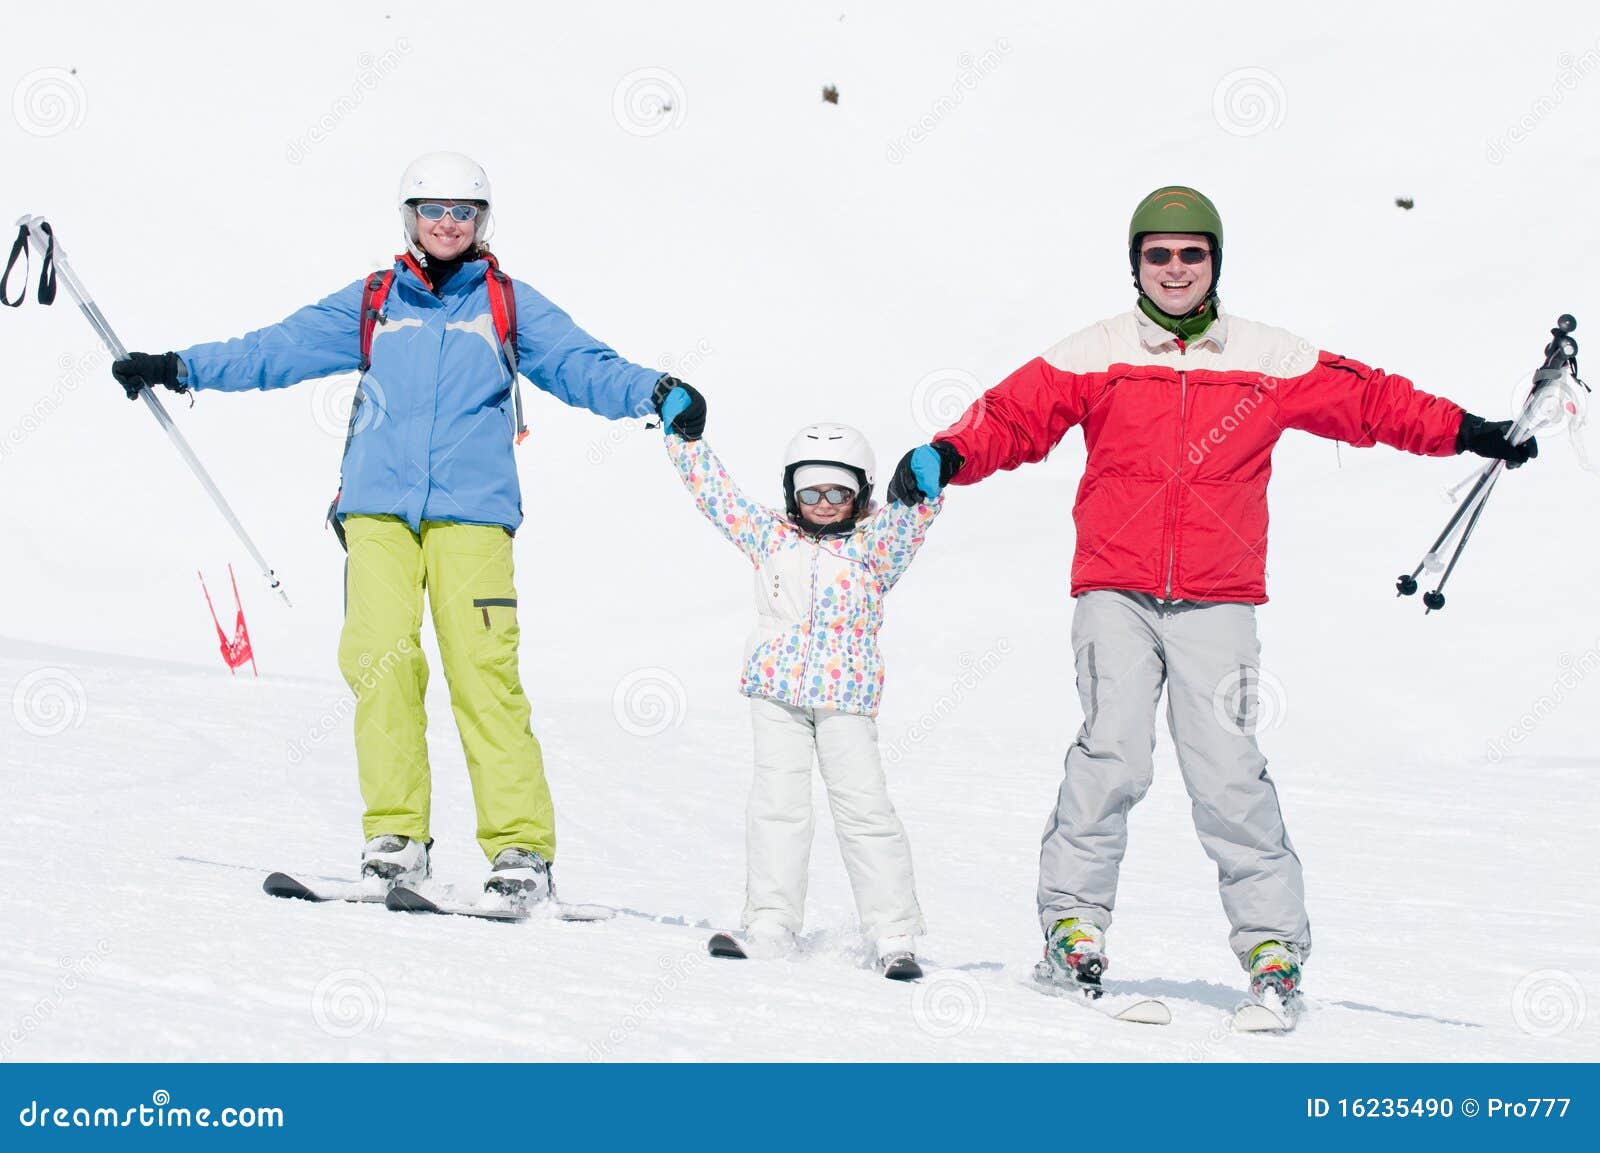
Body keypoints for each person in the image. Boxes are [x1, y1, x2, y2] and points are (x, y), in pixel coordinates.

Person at [886, 185, 1537, 1009]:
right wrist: (949, 453)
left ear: (1215, 262)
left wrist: (1470, 431)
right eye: (1158, 254)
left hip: (1218, 597)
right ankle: (1073, 929)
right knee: (1112, 754)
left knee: (1228, 770)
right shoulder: (1099, 350)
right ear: (1136, 265)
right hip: (1115, 589)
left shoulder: (1266, 357)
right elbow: (1017, 416)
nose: (1175, 269)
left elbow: (1370, 401)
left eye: (1192, 253)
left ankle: (1272, 943)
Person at [111, 152, 695, 904]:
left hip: (474, 514)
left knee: (483, 672)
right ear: (409, 216)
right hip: (377, 509)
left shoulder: (507, 304)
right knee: (379, 660)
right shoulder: (376, 300)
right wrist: (179, 366)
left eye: (463, 212)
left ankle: (520, 848)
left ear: (481, 222)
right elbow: (275, 349)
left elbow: (585, 365)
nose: (448, 223)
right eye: (434, 209)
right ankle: (397, 838)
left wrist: (655, 390)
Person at [659, 392, 938, 978]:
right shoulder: (771, 538)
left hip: (845, 701)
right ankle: (770, 924)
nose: (824, 504)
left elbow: (911, 517)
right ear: (792, 493)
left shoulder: (873, 549)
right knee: (777, 809)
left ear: (861, 493)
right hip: (776, 695)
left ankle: (894, 935)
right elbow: (719, 498)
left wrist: (925, 485)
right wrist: (685, 442)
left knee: (865, 811)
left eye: (839, 492)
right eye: (810, 492)